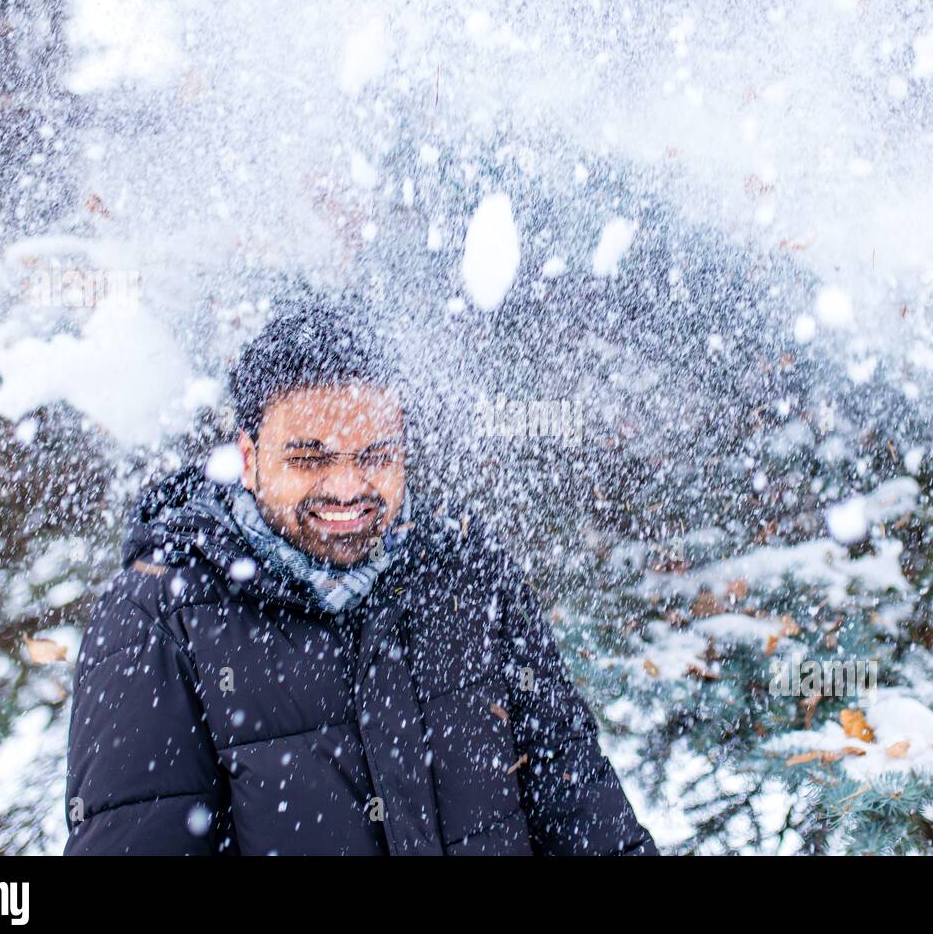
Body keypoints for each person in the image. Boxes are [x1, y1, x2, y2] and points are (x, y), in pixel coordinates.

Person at [63, 294, 658, 855]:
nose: (347, 488)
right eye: (309, 457)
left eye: (375, 455)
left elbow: (589, 818)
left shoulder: (470, 577)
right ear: (248, 459)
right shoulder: (160, 615)